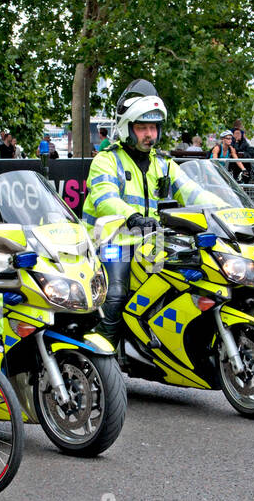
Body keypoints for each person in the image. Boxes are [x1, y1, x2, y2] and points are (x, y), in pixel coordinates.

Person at [84, 79, 212, 345]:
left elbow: (192, 191)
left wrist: (224, 210)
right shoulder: (107, 160)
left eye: (152, 127)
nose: (149, 134)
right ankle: (102, 353)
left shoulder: (163, 163)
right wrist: (132, 217)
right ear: (126, 128)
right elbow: (105, 199)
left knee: (181, 278)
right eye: (142, 127)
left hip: (150, 242)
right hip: (111, 242)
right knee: (116, 293)